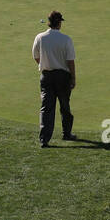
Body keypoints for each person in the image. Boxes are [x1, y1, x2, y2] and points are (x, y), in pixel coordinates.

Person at [32, 10, 77, 147]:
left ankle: (44, 139)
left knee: (46, 108)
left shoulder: (40, 37)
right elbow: (70, 61)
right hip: (63, 76)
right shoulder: (66, 39)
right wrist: (73, 78)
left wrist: (43, 64)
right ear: (59, 23)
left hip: (46, 76)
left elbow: (35, 56)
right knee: (65, 106)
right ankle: (67, 133)